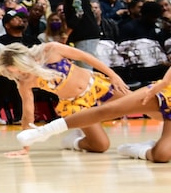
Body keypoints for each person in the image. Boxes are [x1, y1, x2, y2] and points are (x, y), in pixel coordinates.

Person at [0, 42, 130, 154]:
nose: (21, 74)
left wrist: (113, 76)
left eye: (21, 69)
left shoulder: (51, 50)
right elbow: (28, 114)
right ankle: (73, 142)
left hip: (95, 84)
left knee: (140, 100)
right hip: (76, 104)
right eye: (14, 72)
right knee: (101, 146)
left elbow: (85, 57)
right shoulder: (24, 82)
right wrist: (25, 147)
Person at [18, 66, 171, 162]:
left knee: (161, 156)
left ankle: (140, 149)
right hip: (166, 92)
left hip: (94, 85)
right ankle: (45, 131)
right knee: (110, 110)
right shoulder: (49, 50)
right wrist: (164, 83)